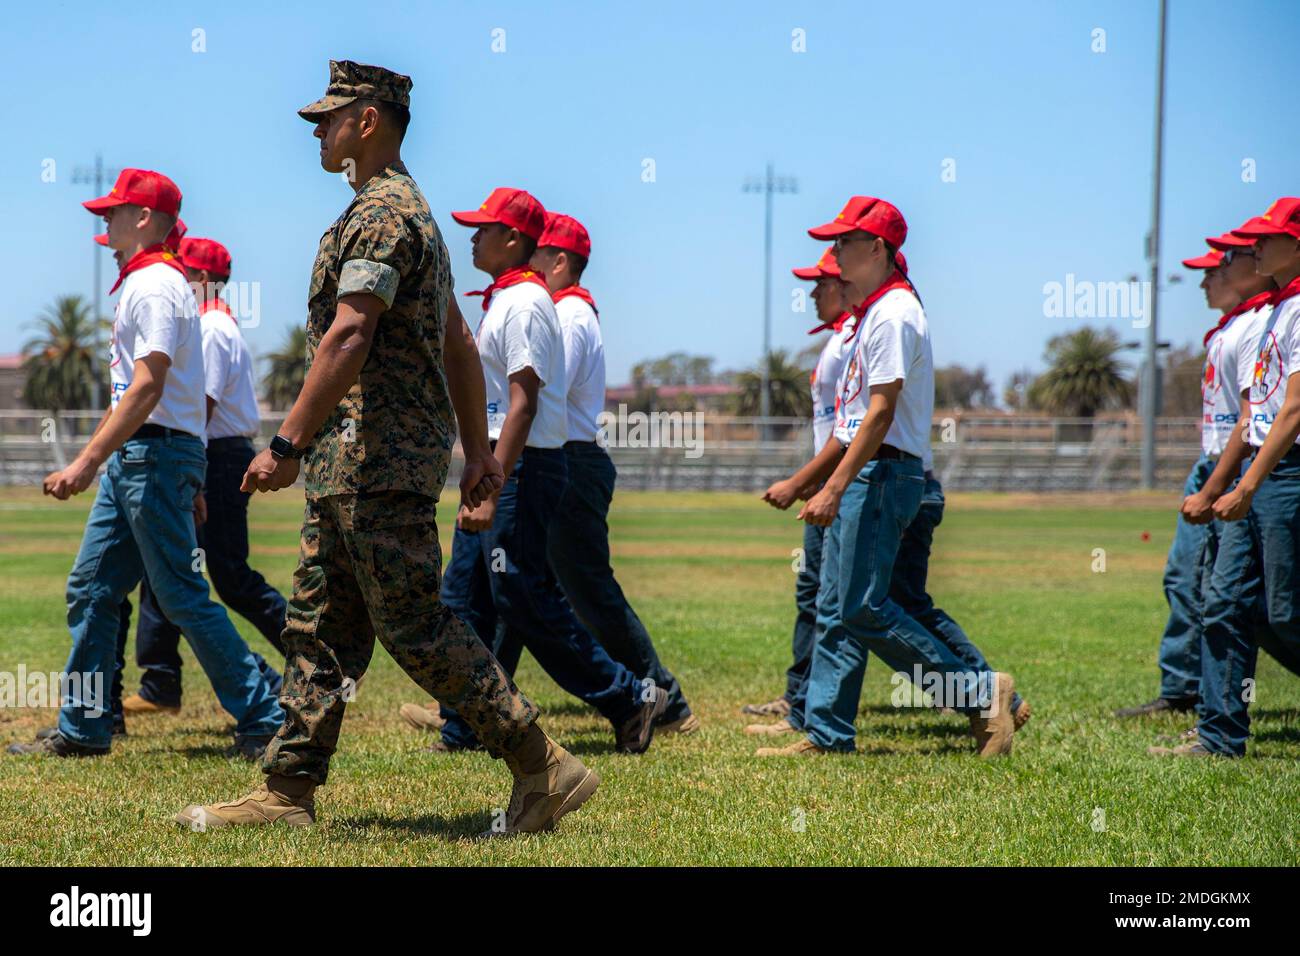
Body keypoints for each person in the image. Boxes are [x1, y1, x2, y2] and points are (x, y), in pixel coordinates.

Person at [175, 61, 598, 835]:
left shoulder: (383, 215)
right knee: (319, 629)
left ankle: (542, 763)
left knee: (411, 623)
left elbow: (351, 332)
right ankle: (287, 790)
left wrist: (287, 441)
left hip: (371, 462)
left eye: (328, 116)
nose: (316, 129)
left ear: (368, 119)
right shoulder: (411, 217)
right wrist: (479, 454)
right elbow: (460, 344)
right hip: (364, 464)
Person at [8, 170, 283, 759]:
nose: (103, 222)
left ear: (144, 219)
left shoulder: (155, 283)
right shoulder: (150, 281)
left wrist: (87, 460)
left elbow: (148, 384)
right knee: (92, 586)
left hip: (149, 454)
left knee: (181, 595)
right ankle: (84, 729)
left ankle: (263, 714)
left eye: (113, 212)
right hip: (149, 456)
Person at [402, 213, 696, 736]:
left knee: (539, 594)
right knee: (473, 595)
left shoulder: (545, 309)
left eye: (483, 229)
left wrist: (494, 479)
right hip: (508, 459)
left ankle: (636, 698)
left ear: (521, 243)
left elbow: (527, 400)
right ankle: (467, 719)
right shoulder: (518, 300)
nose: (472, 238)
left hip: (533, 461)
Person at [755, 196, 1015, 758]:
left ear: (878, 248)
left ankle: (979, 695)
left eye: (844, 242)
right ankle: (826, 733)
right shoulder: (876, 312)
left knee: (864, 608)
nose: (833, 253)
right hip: (873, 471)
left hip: (884, 473)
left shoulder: (895, 313)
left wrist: (830, 486)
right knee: (840, 607)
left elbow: (878, 414)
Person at [119, 236, 288, 717]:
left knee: (224, 576)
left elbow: (201, 404)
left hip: (215, 455)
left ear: (203, 280)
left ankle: (307, 660)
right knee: (182, 570)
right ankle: (162, 679)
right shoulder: (214, 324)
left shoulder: (212, 327)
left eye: (186, 272)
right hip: (215, 452)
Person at [1155, 198, 1300, 756]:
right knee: (1227, 603)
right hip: (1257, 468)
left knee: (1281, 612)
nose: (1254, 249)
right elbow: (1254, 411)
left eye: (1264, 241)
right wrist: (1225, 484)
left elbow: (1291, 410)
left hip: (1282, 472)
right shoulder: (1276, 312)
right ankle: (1219, 736)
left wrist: (1241, 484)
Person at [1114, 236, 1263, 719]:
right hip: (1213, 463)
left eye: (1214, 271)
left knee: (1230, 592)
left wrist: (1217, 483)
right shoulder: (1232, 327)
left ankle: (1202, 694)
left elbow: (1250, 416)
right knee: (1186, 578)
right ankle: (1183, 687)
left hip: (1231, 467)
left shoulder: (1256, 327)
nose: (1204, 281)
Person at [744, 246, 857, 722]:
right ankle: (801, 700)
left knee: (860, 603)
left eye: (821, 283)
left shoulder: (853, 338)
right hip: (826, 483)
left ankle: (979, 694)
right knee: (816, 593)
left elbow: (849, 427)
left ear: (845, 286)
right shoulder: (838, 339)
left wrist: (802, 481)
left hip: (840, 485)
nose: (812, 293)